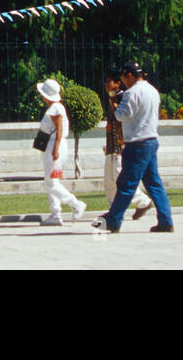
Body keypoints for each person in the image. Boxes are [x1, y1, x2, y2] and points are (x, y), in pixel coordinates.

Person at [94, 61, 173, 234]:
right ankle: (166, 220)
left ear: (129, 76)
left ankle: (114, 220)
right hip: (151, 140)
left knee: (126, 184)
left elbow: (122, 115)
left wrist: (115, 107)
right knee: (154, 183)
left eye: (123, 78)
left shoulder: (131, 93)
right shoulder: (153, 91)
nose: (123, 82)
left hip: (136, 143)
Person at [35, 78, 86, 227]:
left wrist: (55, 149)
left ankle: (75, 204)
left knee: (50, 182)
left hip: (53, 145)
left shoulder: (55, 109)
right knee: (52, 181)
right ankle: (55, 214)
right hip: (51, 145)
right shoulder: (55, 107)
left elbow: (59, 129)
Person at [102, 72, 152, 220]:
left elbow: (125, 119)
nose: (106, 85)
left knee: (119, 177)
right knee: (109, 179)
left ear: (118, 83)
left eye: (109, 81)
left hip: (120, 145)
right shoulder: (112, 98)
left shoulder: (124, 97)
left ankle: (143, 201)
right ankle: (113, 209)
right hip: (112, 145)